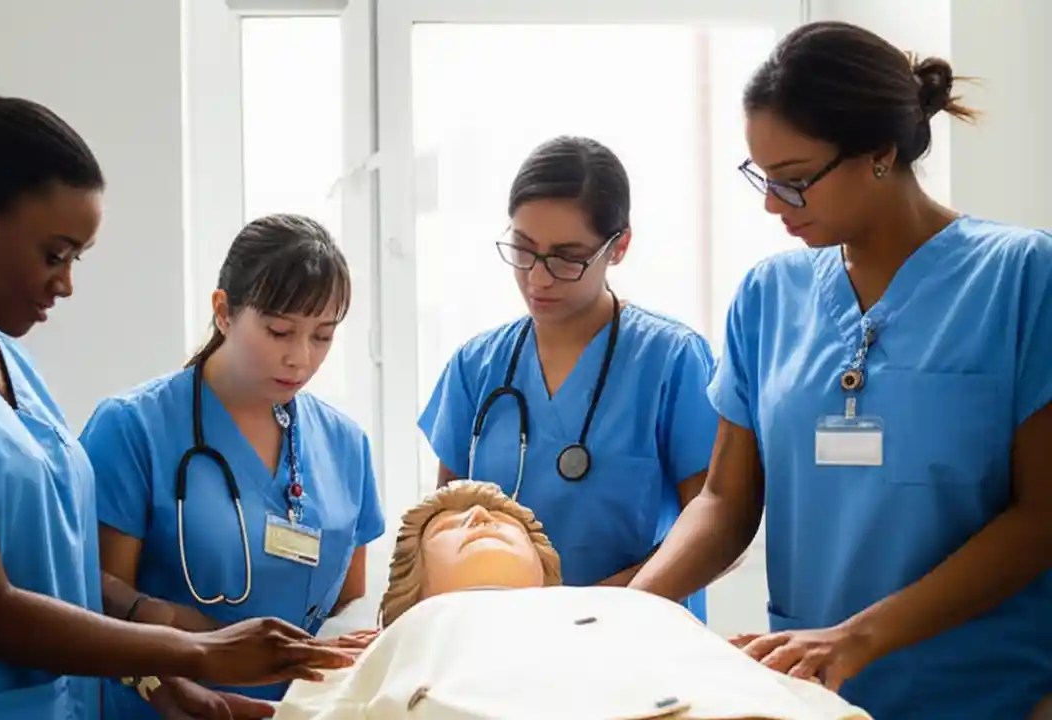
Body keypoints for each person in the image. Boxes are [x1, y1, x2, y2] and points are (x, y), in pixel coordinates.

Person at [0, 83, 353, 720]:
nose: (65, 283)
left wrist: (154, 680)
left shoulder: (6, 363)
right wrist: (191, 651)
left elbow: (56, 573)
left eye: (77, 258)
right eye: (54, 255)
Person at [627, 20, 1052, 719]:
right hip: (811, 696)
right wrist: (628, 609)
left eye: (795, 182)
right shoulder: (769, 296)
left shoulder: (1021, 279)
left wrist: (858, 637)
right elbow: (726, 500)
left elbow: (1043, 517)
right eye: (762, 179)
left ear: (880, 154)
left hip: (983, 692)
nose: (771, 205)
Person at [80, 213, 386, 716]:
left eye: (323, 336)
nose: (300, 359)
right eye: (279, 331)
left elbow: (347, 606)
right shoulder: (133, 428)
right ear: (223, 311)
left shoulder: (345, 445)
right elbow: (92, 598)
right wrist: (167, 681)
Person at [417, 136, 719, 620]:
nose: (538, 278)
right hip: (501, 638)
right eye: (523, 249)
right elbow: (444, 525)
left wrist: (597, 609)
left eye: (566, 256)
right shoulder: (477, 366)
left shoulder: (670, 361)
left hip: (638, 635)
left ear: (618, 246)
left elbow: (716, 531)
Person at [272, 481, 872, 720]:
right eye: (450, 528)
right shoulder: (416, 630)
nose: (480, 514)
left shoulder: (641, 609)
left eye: (506, 524)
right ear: (415, 590)